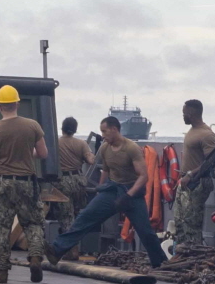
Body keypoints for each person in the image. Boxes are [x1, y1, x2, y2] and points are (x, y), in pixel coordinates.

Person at [48, 114, 168, 270]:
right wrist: (100, 189)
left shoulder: (131, 148)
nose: (103, 135)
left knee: (145, 231)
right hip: (112, 190)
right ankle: (56, 251)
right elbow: (106, 170)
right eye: (101, 132)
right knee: (85, 218)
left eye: (105, 132)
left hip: (132, 193)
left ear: (114, 129)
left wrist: (129, 196)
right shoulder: (105, 148)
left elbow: (144, 176)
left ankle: (161, 263)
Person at [0, 84, 49, 284]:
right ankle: (35, 257)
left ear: (0, 106)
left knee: (2, 227)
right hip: (27, 183)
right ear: (17, 103)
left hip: (4, 183)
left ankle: (2, 270)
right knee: (33, 223)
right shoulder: (32, 125)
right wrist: (28, 154)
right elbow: (43, 154)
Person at [167, 99, 215, 246]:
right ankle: (182, 251)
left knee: (191, 222)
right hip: (186, 182)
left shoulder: (206, 134)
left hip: (197, 182)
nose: (183, 116)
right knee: (180, 220)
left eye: (184, 113)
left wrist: (190, 174)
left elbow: (211, 162)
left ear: (191, 114)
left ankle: (192, 253)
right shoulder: (192, 131)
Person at [55, 117, 93, 219]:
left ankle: (67, 232)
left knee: (66, 214)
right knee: (79, 212)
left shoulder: (55, 143)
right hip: (78, 180)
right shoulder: (81, 143)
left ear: (62, 128)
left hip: (62, 181)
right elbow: (91, 161)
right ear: (75, 129)